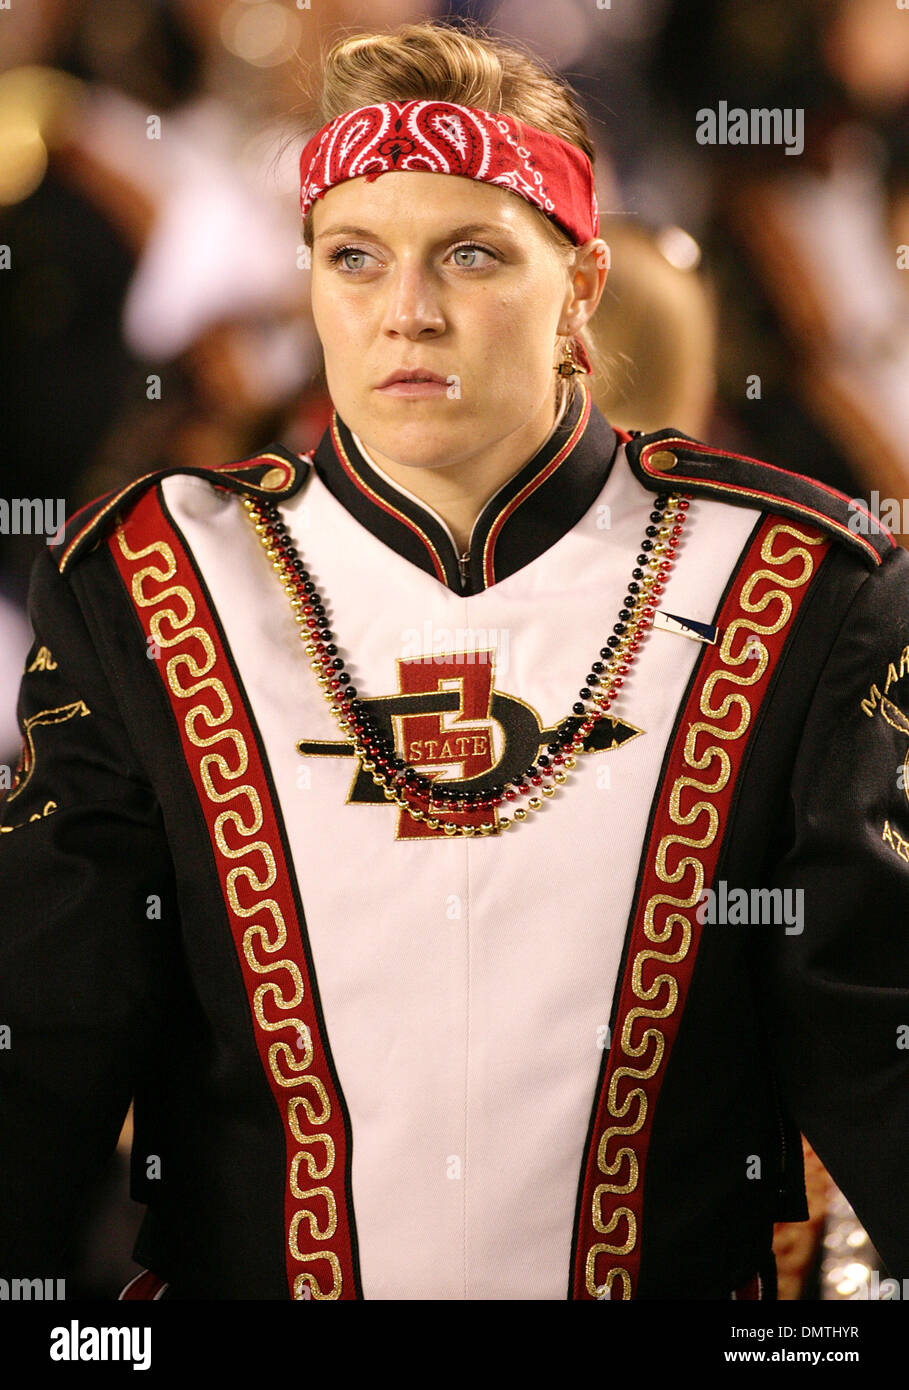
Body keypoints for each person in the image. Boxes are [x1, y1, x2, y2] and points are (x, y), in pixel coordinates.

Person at [2, 19, 909, 1303]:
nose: (406, 312)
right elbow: (42, 1056)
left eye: (471, 255)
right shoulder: (150, 584)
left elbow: (877, 1045)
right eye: (354, 259)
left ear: (582, 288)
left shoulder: (795, 582)